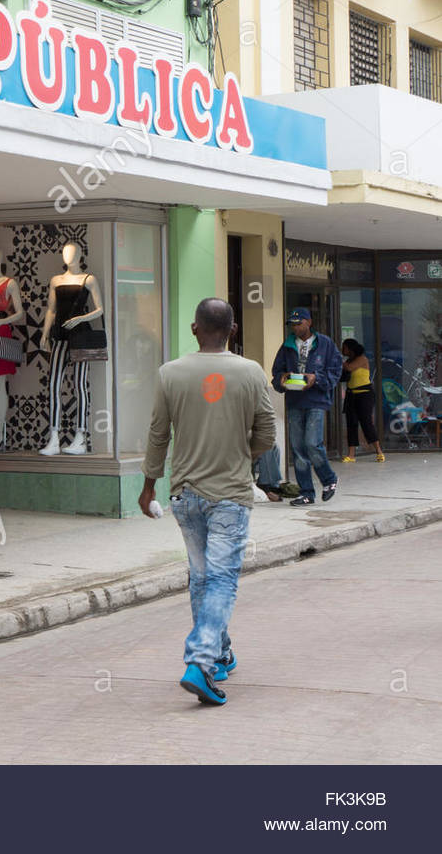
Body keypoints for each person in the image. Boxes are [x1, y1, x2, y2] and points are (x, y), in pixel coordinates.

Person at [139, 298, 276, 707]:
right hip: (230, 497)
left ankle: (219, 650)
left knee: (201, 577)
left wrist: (148, 487)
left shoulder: (169, 374)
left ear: (194, 329)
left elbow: (158, 434)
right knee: (219, 579)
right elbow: (267, 435)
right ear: (232, 330)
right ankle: (200, 662)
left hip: (185, 495)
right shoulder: (250, 372)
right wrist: (240, 456)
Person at [270, 308, 342, 506]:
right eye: (292, 324)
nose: (295, 327)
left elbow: (336, 371)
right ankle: (306, 492)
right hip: (294, 400)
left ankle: (329, 479)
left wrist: (316, 378)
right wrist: (281, 379)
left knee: (312, 443)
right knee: (298, 448)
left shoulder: (325, 344)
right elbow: (276, 372)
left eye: (298, 323)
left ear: (309, 322)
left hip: (316, 401)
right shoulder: (287, 346)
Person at [340, 338, 385, 464]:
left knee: (366, 423)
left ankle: (379, 451)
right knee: (351, 424)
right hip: (351, 395)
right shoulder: (347, 360)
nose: (343, 350)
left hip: (364, 395)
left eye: (344, 348)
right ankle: (351, 455)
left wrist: (337, 359)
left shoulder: (362, 359)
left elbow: (349, 368)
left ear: (350, 348)